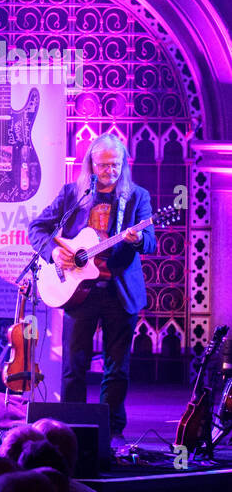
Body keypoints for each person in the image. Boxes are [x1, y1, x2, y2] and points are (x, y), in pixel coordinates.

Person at [27, 133, 155, 438]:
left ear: (124, 164)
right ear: (91, 165)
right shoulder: (74, 194)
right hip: (79, 292)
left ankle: (112, 432)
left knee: (117, 368)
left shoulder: (137, 196)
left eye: (115, 164)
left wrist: (138, 239)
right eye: (103, 165)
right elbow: (36, 228)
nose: (110, 170)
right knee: (74, 365)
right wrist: (54, 251)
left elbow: (150, 241)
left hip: (119, 291)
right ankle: (68, 430)